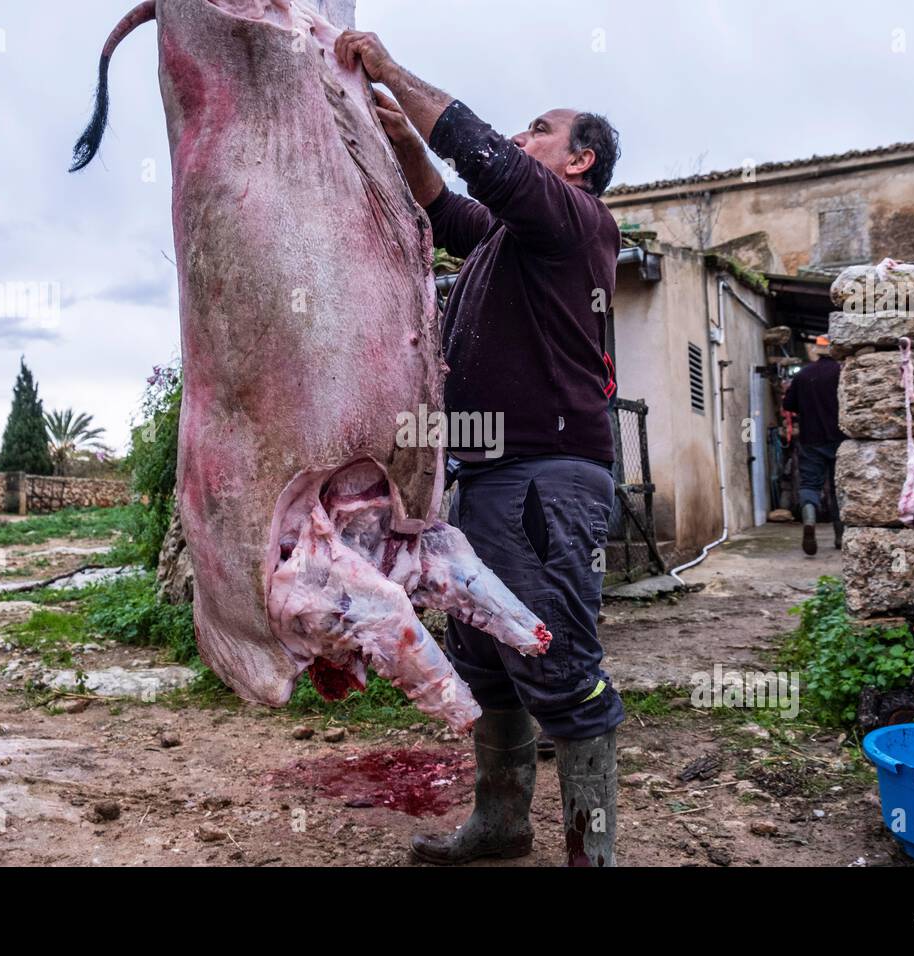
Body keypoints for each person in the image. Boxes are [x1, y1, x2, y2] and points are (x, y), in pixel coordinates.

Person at [334, 29, 624, 867]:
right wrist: (396, 136)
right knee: (489, 657)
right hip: (491, 480)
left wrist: (393, 75)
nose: (523, 136)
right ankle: (502, 824)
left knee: (557, 662)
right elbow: (446, 208)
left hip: (543, 479)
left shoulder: (575, 220)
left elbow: (486, 161)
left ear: (581, 161)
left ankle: (591, 852)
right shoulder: (512, 239)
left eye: (542, 128)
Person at [782, 335, 847, 555]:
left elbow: (788, 404)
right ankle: (840, 536)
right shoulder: (842, 372)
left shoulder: (803, 375)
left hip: (811, 439)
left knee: (810, 484)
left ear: (816, 352)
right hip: (841, 438)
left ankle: (809, 522)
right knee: (840, 487)